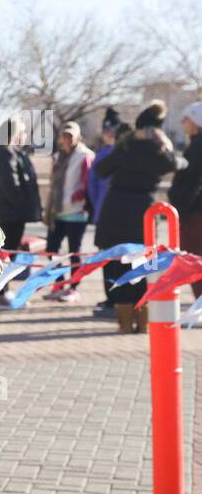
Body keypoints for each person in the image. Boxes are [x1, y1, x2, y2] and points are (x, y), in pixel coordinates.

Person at [95, 100, 179, 333]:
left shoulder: (127, 145)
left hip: (116, 208)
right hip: (144, 212)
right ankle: (143, 322)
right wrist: (165, 143)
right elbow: (173, 164)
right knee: (143, 264)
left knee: (116, 264)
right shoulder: (160, 149)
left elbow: (100, 169)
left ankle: (123, 321)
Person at [0, 118, 42, 306]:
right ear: (14, 133)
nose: (25, 135)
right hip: (9, 213)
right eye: (22, 131)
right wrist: (24, 206)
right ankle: (2, 291)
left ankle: (2, 290)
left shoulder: (5, 152)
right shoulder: (4, 153)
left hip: (9, 212)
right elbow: (10, 185)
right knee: (6, 254)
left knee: (6, 253)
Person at [41, 122, 94, 303]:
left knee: (74, 252)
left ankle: (73, 288)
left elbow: (89, 182)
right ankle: (58, 284)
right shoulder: (57, 157)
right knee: (52, 249)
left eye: (71, 136)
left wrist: (79, 196)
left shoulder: (84, 156)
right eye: (65, 135)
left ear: (77, 137)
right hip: (57, 211)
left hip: (76, 212)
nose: (67, 139)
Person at [87, 108, 122, 315]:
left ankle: (117, 299)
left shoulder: (111, 154)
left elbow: (93, 186)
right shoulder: (102, 154)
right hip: (105, 213)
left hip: (110, 214)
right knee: (110, 259)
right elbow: (92, 186)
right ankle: (113, 298)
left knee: (115, 260)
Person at [167, 101, 202, 300]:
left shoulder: (198, 147)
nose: (183, 123)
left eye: (186, 119)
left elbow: (193, 182)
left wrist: (181, 210)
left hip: (194, 214)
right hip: (194, 212)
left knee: (194, 262)